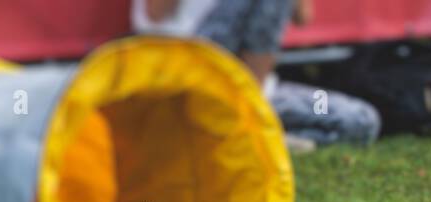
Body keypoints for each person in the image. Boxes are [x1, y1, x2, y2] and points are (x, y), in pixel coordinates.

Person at [132, 0, 380, 151]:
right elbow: (156, 13)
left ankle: (253, 134)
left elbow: (303, 16)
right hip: (189, 77)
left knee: (361, 121)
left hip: (260, 92)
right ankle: (244, 128)